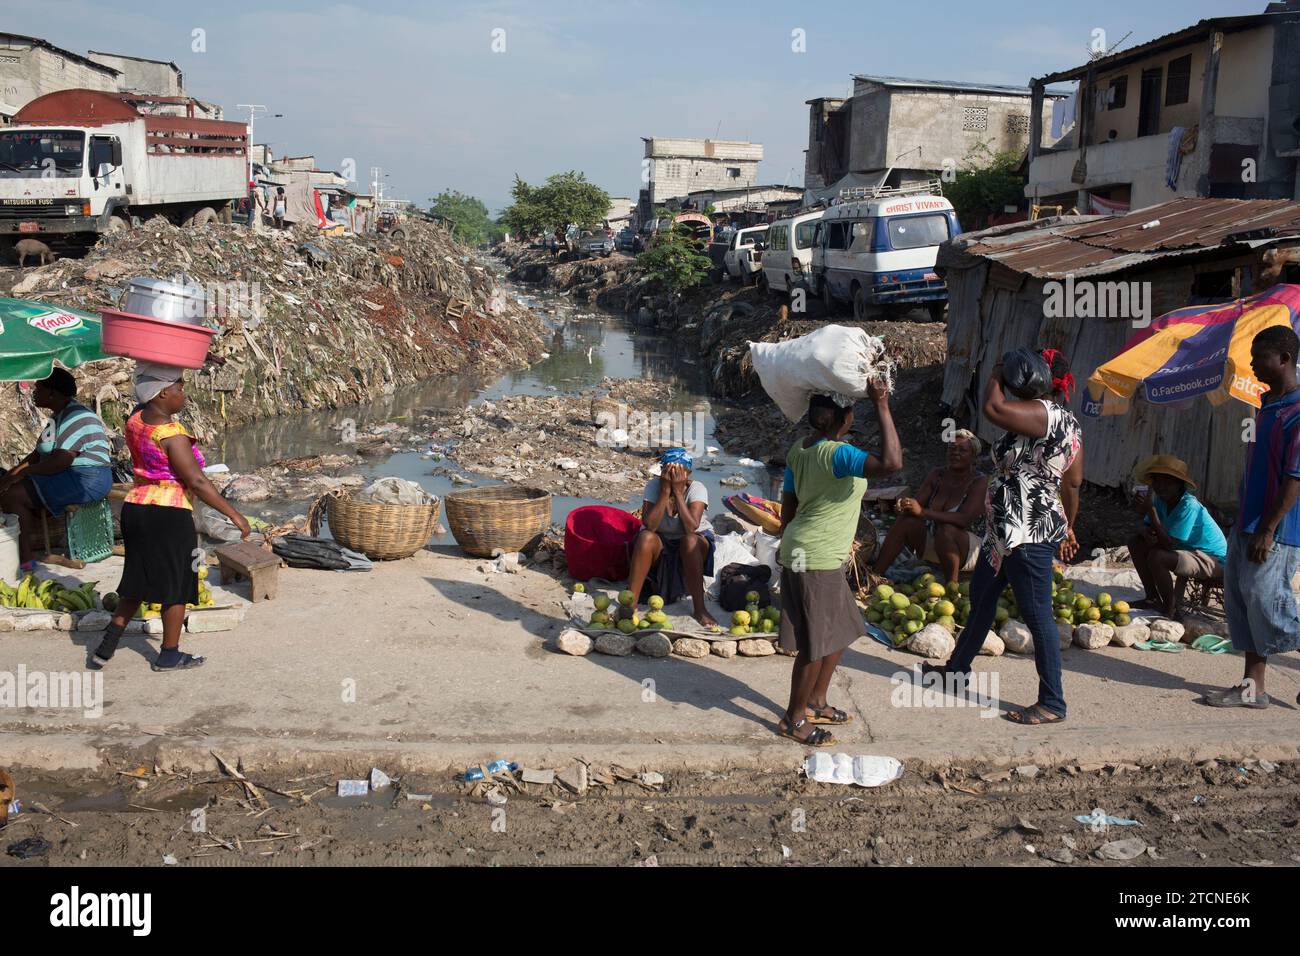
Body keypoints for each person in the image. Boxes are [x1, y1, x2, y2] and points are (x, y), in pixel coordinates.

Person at [925, 348, 1083, 725]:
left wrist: (995, 370)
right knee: (981, 600)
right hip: (1004, 535)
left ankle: (1052, 703)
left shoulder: (1045, 414)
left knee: (1039, 617)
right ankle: (958, 668)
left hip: (1027, 533)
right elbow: (1073, 482)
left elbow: (993, 409)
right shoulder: (1064, 422)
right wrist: (1068, 523)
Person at [89, 363, 250, 673]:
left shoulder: (136, 419)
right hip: (169, 515)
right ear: (162, 394)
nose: (182, 393)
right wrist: (235, 516)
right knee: (177, 583)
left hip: (136, 509)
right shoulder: (171, 434)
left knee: (137, 579)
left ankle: (105, 648)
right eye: (178, 388)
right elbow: (198, 482)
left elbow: (143, 397)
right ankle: (169, 654)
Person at [777, 386, 902, 746]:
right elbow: (892, 463)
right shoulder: (839, 454)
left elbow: (789, 498)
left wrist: (785, 542)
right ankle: (793, 719)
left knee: (844, 627)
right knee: (815, 644)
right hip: (816, 557)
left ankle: (816, 699)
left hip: (807, 550)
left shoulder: (800, 449)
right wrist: (881, 404)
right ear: (844, 419)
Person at [1211, 325, 1300, 709]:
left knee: (1270, 607)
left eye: (1259, 356)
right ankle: (1253, 690)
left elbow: (1295, 478)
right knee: (1244, 607)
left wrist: (1267, 529)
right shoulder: (1268, 406)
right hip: (1248, 523)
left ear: (1284, 359)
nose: (1251, 363)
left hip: (1275, 530)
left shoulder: (1298, 411)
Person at [0, 369, 113, 571]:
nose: (34, 392)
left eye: (38, 389)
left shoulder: (76, 416)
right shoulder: (58, 416)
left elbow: (60, 461)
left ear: (53, 393)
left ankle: (25, 557)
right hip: (71, 474)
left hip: (88, 478)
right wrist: (11, 475)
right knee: (10, 486)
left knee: (14, 495)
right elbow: (37, 455)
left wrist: (23, 475)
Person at [871, 429, 988, 584]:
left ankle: (951, 588)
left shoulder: (979, 481)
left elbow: (963, 519)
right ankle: (873, 576)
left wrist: (923, 512)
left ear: (973, 455)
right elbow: (916, 507)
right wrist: (904, 506)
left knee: (947, 530)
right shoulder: (937, 475)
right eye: (952, 449)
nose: (955, 453)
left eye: (962, 450)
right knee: (906, 521)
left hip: (970, 551)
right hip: (936, 543)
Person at [1126, 454, 1227, 618]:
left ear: (1179, 485)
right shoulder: (1160, 501)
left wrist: (1150, 511)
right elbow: (1145, 527)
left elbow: (1169, 545)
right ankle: (1152, 598)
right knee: (1136, 543)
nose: (1160, 486)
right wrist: (1146, 531)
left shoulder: (1189, 505)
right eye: (1157, 481)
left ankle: (1170, 609)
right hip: (1185, 551)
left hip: (1211, 558)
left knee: (1158, 557)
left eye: (1167, 481)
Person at [627, 448, 717, 626]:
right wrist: (665, 492)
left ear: (687, 473)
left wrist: (678, 492)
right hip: (662, 544)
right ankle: (630, 605)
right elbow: (650, 525)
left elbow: (691, 527)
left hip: (693, 545)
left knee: (689, 540)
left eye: (677, 472)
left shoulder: (697, 488)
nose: (672, 475)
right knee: (645, 537)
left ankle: (700, 609)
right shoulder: (654, 486)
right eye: (667, 471)